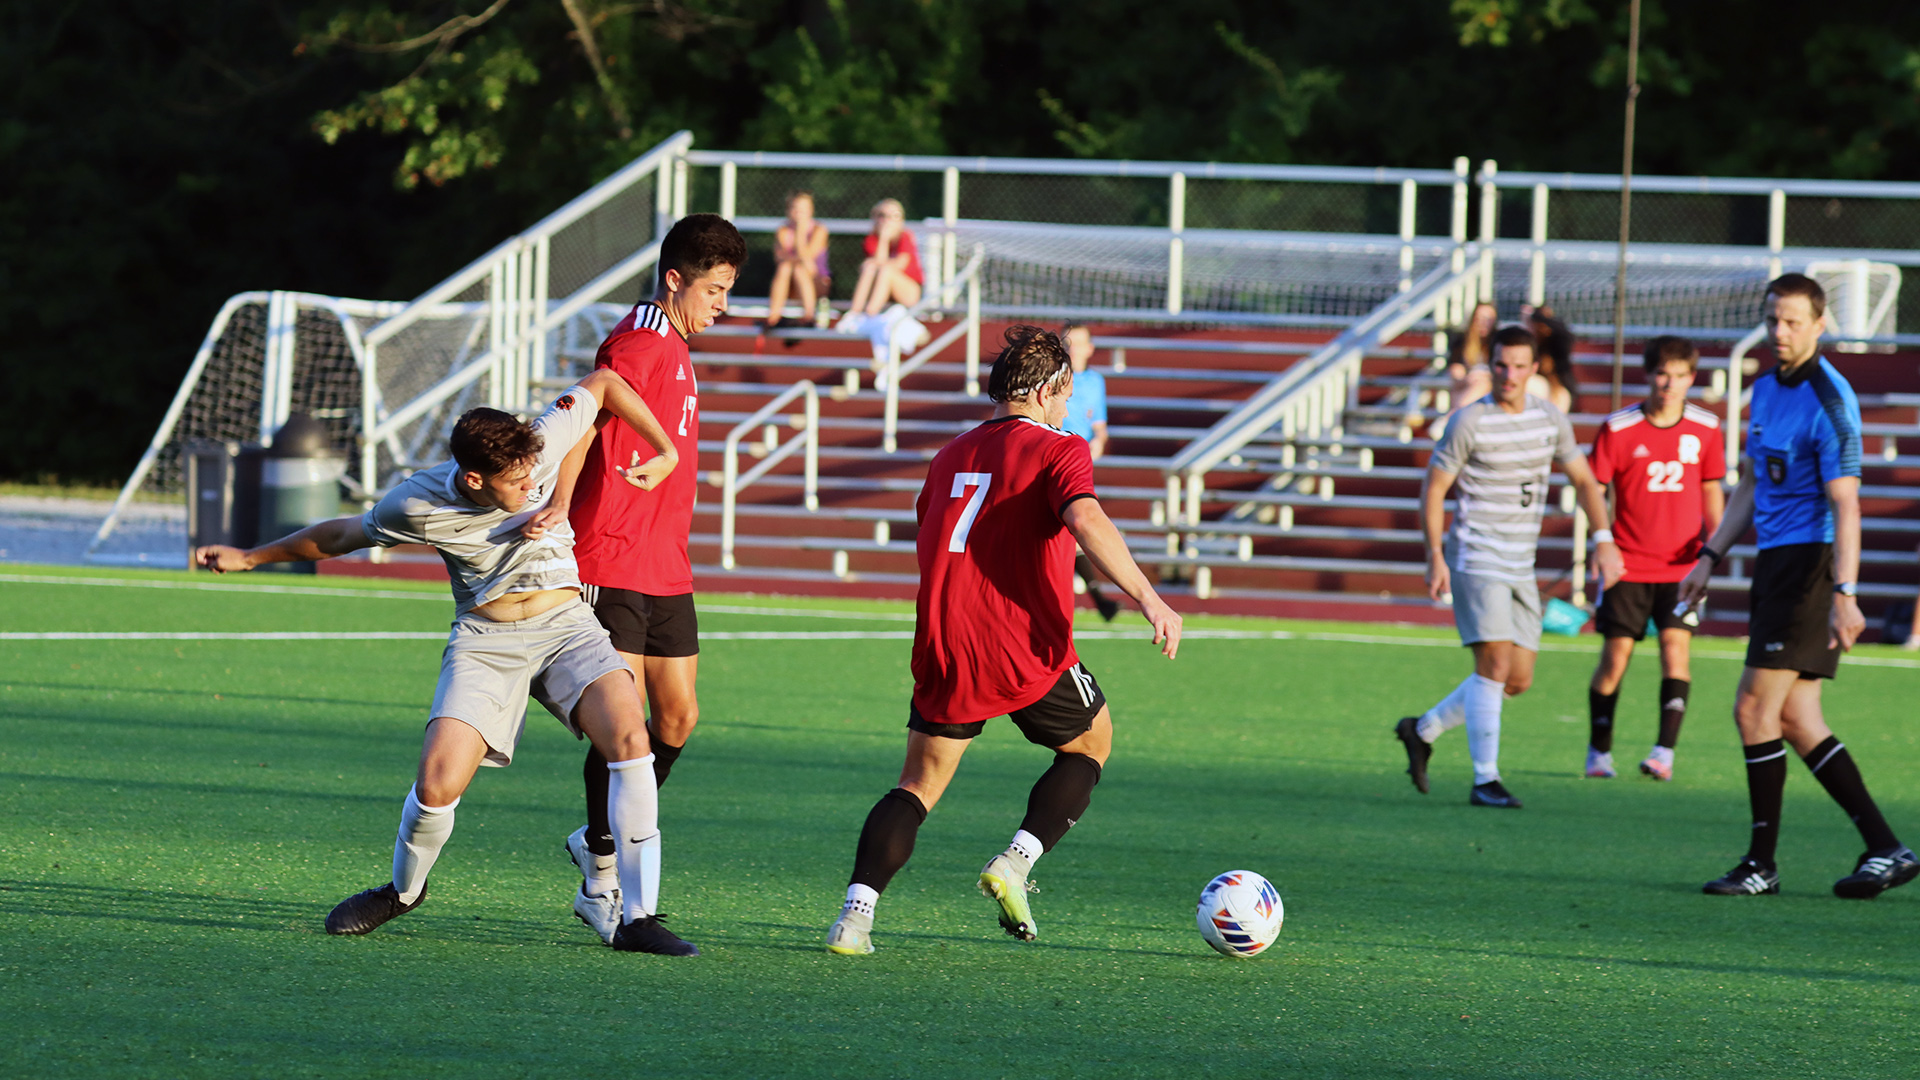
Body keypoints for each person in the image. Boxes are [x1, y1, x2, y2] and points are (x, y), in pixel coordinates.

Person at [192, 369, 701, 955]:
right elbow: (339, 536)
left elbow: (608, 385)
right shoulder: (415, 503)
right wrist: (252, 557)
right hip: (487, 639)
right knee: (437, 784)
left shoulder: (536, 442)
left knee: (631, 739)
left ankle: (637, 918)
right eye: (517, 481)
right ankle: (403, 892)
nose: (532, 483)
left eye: (535, 470)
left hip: (568, 626)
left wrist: (663, 450)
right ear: (474, 479)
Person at [823, 326, 1183, 955]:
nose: (1068, 408)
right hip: (1022, 647)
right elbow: (1087, 517)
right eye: (1066, 393)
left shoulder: (949, 454)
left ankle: (854, 919)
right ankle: (1014, 862)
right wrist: (1149, 597)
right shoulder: (1059, 447)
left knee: (916, 787)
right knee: (1091, 746)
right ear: (1045, 391)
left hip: (946, 642)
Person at [1679, 273, 1916, 899]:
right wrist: (1709, 555)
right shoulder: (1763, 391)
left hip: (1812, 570)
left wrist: (1846, 592)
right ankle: (1887, 848)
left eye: (1791, 322)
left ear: (1819, 324)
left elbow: (1847, 505)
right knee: (1796, 717)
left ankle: (1761, 862)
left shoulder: (1830, 399)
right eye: (1772, 321)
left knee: (1754, 710)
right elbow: (1753, 483)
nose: (1779, 333)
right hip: (1777, 566)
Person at [552, 213, 746, 944]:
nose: (721, 306)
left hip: (666, 564)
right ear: (675, 280)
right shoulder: (639, 340)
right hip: (611, 558)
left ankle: (596, 838)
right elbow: (589, 410)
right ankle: (607, 879)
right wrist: (561, 510)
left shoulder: (677, 343)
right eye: (715, 290)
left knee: (678, 719)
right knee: (623, 728)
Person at [1393, 325, 1624, 808]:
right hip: (1476, 556)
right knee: (1493, 666)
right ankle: (1485, 780)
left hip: (1523, 563)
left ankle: (1423, 729)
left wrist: (1604, 539)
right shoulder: (1468, 421)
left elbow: (1584, 480)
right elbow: (1434, 489)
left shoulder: (1550, 418)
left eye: (1520, 365)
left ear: (1535, 369)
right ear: (1490, 365)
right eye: (1501, 364)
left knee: (1516, 679)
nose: (1510, 374)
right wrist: (1435, 554)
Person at [1583, 336, 1725, 781]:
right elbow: (1593, 488)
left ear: (1691, 378)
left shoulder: (1706, 427)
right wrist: (1602, 540)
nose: (1669, 383)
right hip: (1627, 564)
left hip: (1682, 567)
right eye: (1662, 374)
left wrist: (1713, 550)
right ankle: (1599, 752)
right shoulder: (1619, 428)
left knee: (1674, 649)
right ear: (1648, 376)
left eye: (1680, 375)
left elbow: (1711, 489)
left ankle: (1664, 752)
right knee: (1616, 657)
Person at [1060, 322, 1120, 622]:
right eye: (1067, 342)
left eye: (1078, 342)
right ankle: (1098, 598)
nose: (1072, 348)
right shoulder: (1054, 376)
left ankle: (1098, 597)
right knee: (1069, 528)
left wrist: (1097, 443)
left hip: (1076, 462)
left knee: (1072, 527)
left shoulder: (1094, 381)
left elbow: (1099, 426)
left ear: (1090, 348)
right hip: (1052, 457)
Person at [835, 198, 922, 332]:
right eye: (882, 216)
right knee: (870, 267)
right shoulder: (872, 239)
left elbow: (899, 265)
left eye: (893, 216)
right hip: (883, 291)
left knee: (884, 269)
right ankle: (854, 313)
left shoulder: (905, 237)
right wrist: (883, 239)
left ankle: (871, 313)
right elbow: (876, 264)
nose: (887, 220)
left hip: (908, 292)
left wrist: (884, 240)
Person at [764, 191, 829, 335]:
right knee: (786, 267)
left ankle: (809, 316)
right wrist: (795, 260)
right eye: (795, 209)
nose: (799, 213)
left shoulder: (819, 230)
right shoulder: (783, 230)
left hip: (817, 281)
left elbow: (807, 259)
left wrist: (800, 232)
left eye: (803, 210)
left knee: (799, 268)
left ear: (811, 211)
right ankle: (773, 316)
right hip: (792, 284)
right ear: (788, 211)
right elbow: (780, 259)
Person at [1526, 308, 1578, 416]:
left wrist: (1540, 318)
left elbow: (1565, 334)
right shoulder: (1530, 343)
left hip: (1556, 388)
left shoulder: (1556, 343)